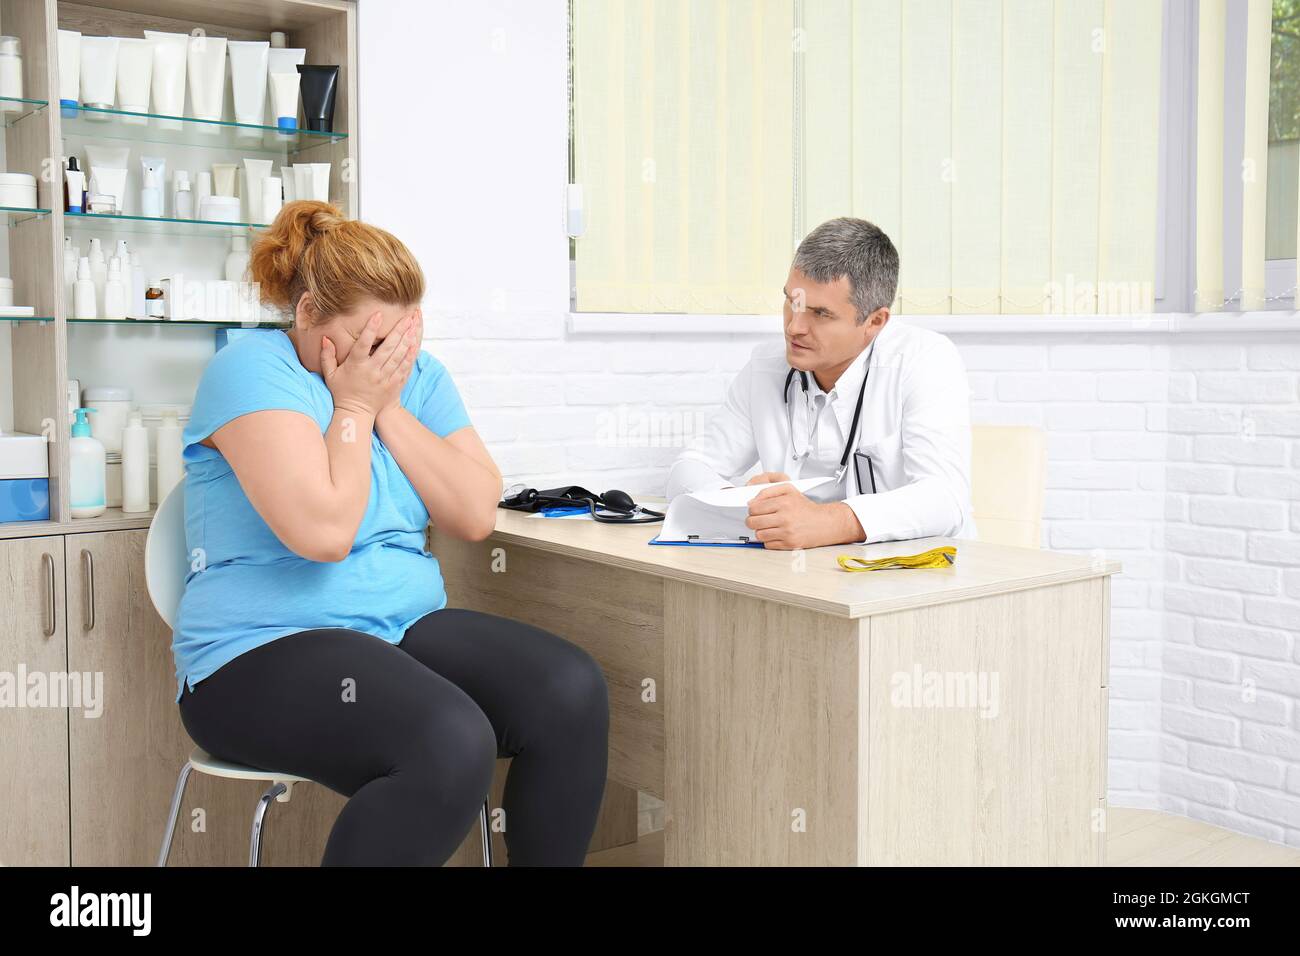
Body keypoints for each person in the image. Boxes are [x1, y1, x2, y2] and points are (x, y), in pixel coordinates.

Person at [172, 201, 609, 866]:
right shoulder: (254, 371)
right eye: (369, 342)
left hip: (396, 630)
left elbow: (472, 513)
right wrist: (352, 406)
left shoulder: (412, 379)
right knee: (450, 740)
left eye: (401, 341)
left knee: (570, 690)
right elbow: (323, 533)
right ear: (309, 313)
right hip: (255, 653)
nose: (388, 358)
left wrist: (390, 407)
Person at [667, 217, 977, 549]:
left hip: (917, 579)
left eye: (820, 314)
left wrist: (829, 522)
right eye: (792, 301)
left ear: (875, 321)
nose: (794, 327)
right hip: (809, 576)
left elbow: (945, 501)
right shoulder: (766, 367)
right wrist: (744, 502)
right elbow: (687, 469)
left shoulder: (924, 360)